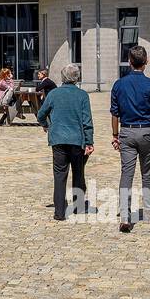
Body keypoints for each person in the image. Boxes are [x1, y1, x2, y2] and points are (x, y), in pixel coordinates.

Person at [109, 45, 150, 233]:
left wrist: (115, 135)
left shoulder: (118, 84)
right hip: (146, 131)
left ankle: (125, 216)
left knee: (126, 174)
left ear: (129, 62)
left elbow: (115, 113)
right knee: (147, 174)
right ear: (146, 62)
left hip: (127, 132)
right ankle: (149, 212)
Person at [36, 63, 95, 221]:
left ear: (63, 77)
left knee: (60, 175)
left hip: (58, 140)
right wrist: (89, 142)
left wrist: (46, 125)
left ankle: (59, 212)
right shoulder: (82, 95)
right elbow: (87, 121)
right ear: (77, 78)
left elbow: (41, 114)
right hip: (77, 140)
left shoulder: (54, 94)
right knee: (78, 173)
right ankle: (78, 207)